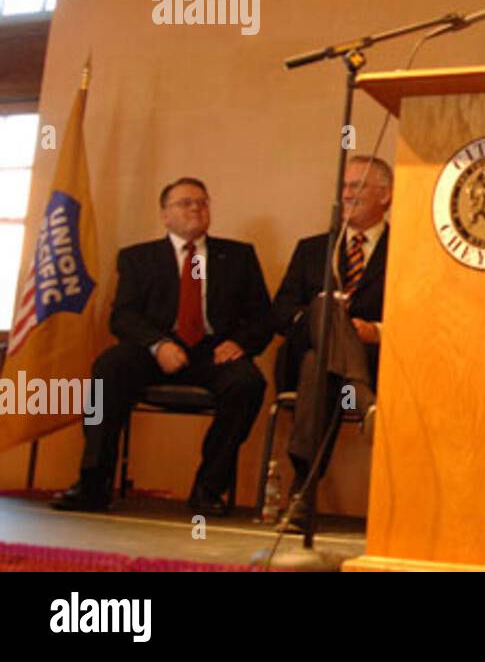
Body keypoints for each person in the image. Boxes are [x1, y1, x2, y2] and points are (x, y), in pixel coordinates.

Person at [52, 177, 273, 515]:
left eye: (202, 202)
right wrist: (157, 344)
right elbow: (122, 317)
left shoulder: (239, 256)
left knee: (249, 383)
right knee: (107, 369)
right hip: (154, 350)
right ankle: (93, 484)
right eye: (185, 203)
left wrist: (239, 343)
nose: (196, 208)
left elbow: (262, 317)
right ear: (165, 215)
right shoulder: (137, 258)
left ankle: (208, 489)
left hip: (214, 352)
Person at [272, 155, 390, 528]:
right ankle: (363, 398)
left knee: (316, 369)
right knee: (324, 306)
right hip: (318, 357)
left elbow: (424, 313)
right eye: (345, 186)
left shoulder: (408, 248)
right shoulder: (312, 248)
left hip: (374, 362)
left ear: (386, 195)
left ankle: (301, 496)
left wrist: (377, 330)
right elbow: (280, 312)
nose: (348, 194)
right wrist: (323, 319)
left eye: (359, 186)